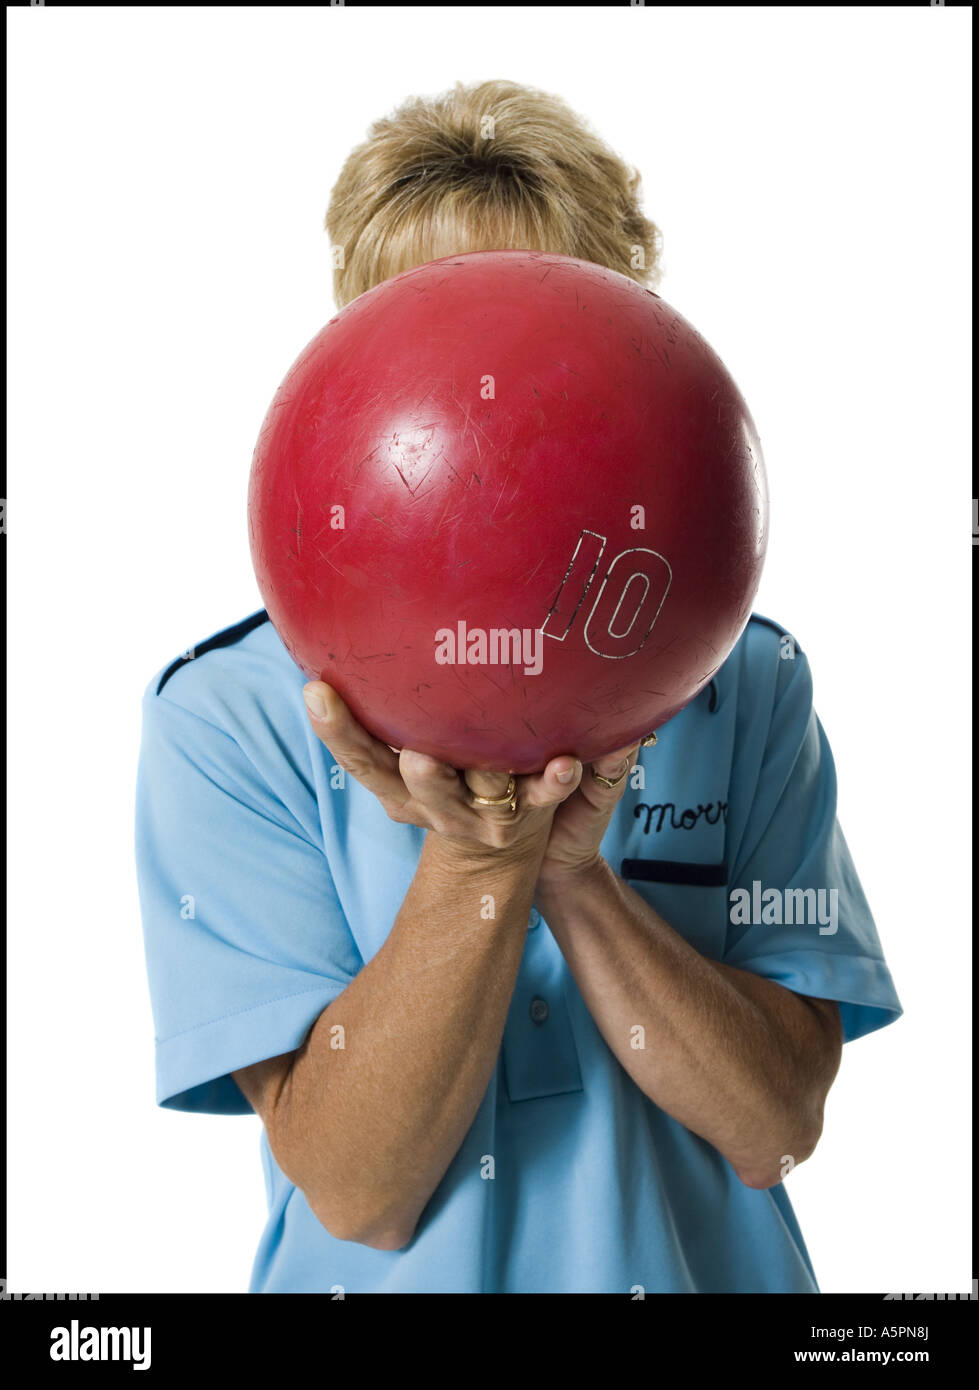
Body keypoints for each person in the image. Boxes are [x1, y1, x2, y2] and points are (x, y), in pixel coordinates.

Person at [135, 79, 902, 1293]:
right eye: (445, 337)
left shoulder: (748, 679)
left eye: (551, 336)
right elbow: (358, 1191)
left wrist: (570, 873)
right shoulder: (228, 716)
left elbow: (775, 1125)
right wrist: (480, 863)